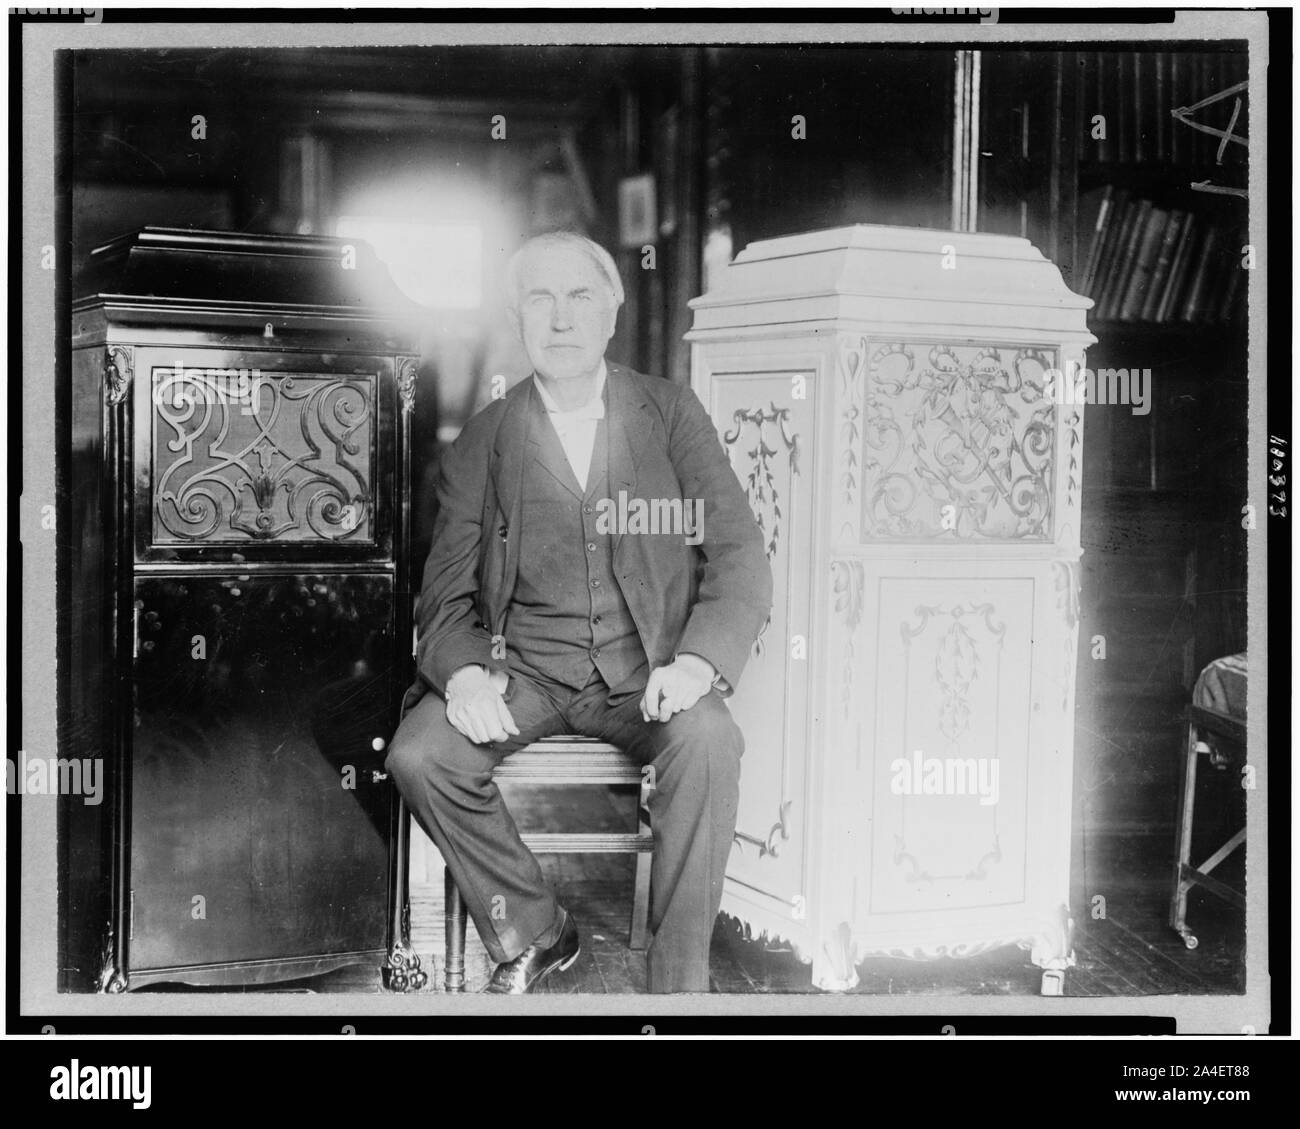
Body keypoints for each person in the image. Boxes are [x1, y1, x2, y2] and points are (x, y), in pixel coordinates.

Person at [385, 231, 772, 993]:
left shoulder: (670, 414)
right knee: (420, 755)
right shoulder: (484, 441)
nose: (560, 320)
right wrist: (465, 676)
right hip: (520, 669)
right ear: (517, 318)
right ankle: (536, 926)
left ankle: (679, 986)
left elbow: (740, 555)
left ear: (612, 314)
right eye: (540, 299)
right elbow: (447, 589)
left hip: (645, 673)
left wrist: (695, 663)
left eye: (580, 297)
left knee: (709, 741)